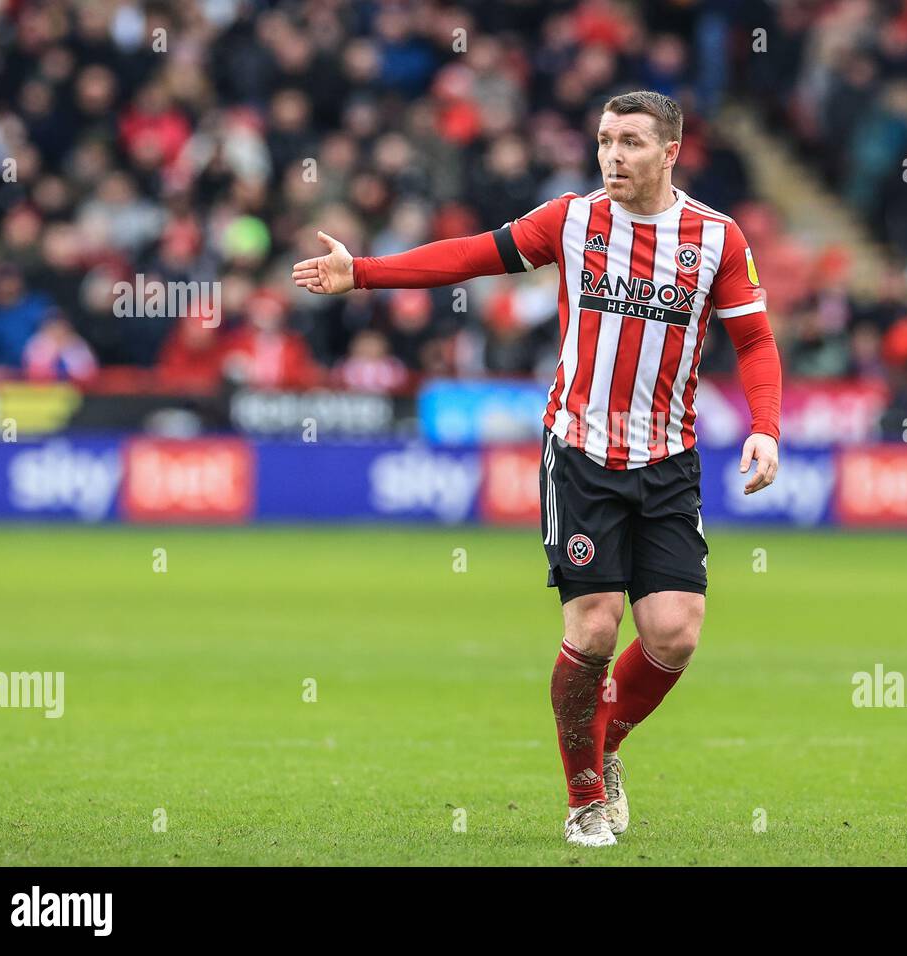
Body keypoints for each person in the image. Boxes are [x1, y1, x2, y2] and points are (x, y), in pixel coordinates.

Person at [292, 91, 782, 847]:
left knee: (676, 633)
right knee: (594, 627)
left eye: (631, 143)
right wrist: (363, 273)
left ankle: (602, 740)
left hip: (668, 458)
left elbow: (753, 341)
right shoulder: (574, 219)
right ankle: (584, 795)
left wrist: (765, 429)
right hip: (580, 452)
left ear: (671, 152)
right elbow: (470, 255)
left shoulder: (714, 237)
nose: (613, 156)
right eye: (605, 140)